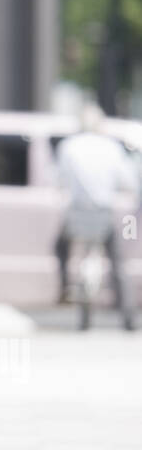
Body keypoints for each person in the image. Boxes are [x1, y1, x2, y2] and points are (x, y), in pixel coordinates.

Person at [53, 101, 140, 330]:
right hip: (103, 212)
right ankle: (128, 316)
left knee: (60, 247)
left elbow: (58, 179)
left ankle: (63, 287)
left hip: (78, 212)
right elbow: (127, 181)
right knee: (117, 264)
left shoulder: (69, 146)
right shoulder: (111, 147)